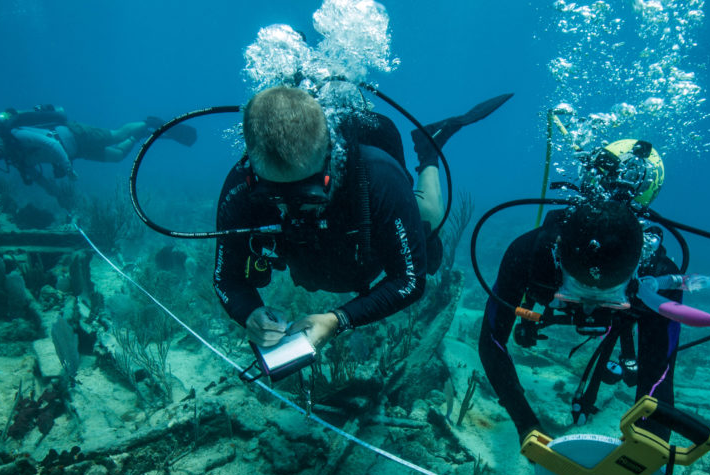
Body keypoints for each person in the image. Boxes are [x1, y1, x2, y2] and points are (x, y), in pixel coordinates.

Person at [213, 85, 511, 350]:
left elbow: (409, 279)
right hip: (314, 263)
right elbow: (226, 278)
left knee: (429, 222)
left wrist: (338, 320)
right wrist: (249, 312)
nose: (291, 210)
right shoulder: (240, 188)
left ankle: (429, 150)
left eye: (307, 196)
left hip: (369, 241)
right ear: (253, 173)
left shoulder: (377, 174)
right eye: (275, 196)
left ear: (332, 157)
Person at [478, 139, 680, 441]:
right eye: (576, 287)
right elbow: (491, 341)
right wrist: (527, 426)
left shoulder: (658, 277)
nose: (588, 306)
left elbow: (658, 374)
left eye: (611, 294)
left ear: (637, 272)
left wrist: (644, 454)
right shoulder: (531, 253)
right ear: (559, 255)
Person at [0, 104, 196, 199]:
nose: (0, 153)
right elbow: (38, 178)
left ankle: (149, 122)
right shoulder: (16, 158)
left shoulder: (17, 135)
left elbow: (50, 143)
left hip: (74, 134)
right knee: (118, 156)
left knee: (115, 135)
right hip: (76, 152)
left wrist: (67, 169)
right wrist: (58, 195)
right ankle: (140, 133)